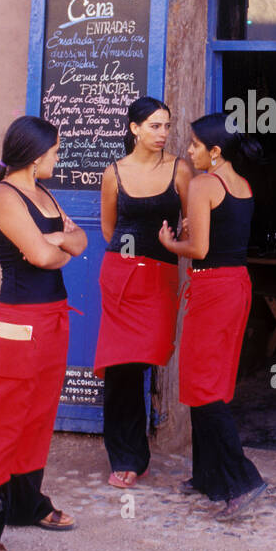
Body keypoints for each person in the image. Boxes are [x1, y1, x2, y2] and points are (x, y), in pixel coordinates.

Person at [0, 116, 87, 551]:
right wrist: (58, 242)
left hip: (53, 318)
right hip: (19, 323)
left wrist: (60, 239)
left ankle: (25, 506)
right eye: (54, 151)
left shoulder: (43, 194)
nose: (58, 157)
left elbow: (81, 242)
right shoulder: (3, 196)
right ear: (34, 153)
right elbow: (45, 256)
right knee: (1, 418)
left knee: (37, 414)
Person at [159, 113, 267, 519]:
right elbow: (222, 236)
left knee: (202, 383)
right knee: (213, 377)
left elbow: (199, 249)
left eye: (194, 145)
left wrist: (171, 242)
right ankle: (206, 475)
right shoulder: (242, 185)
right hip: (236, 285)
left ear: (215, 151)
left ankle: (243, 480)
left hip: (211, 288)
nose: (188, 151)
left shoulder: (204, 184)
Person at [94, 97, 192, 488]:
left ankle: (137, 449)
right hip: (121, 276)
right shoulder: (113, 173)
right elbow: (107, 228)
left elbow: (190, 225)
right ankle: (126, 455)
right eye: (154, 126)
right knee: (121, 368)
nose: (163, 134)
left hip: (161, 278)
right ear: (134, 128)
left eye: (166, 126)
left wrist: (177, 238)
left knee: (147, 356)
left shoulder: (179, 170)